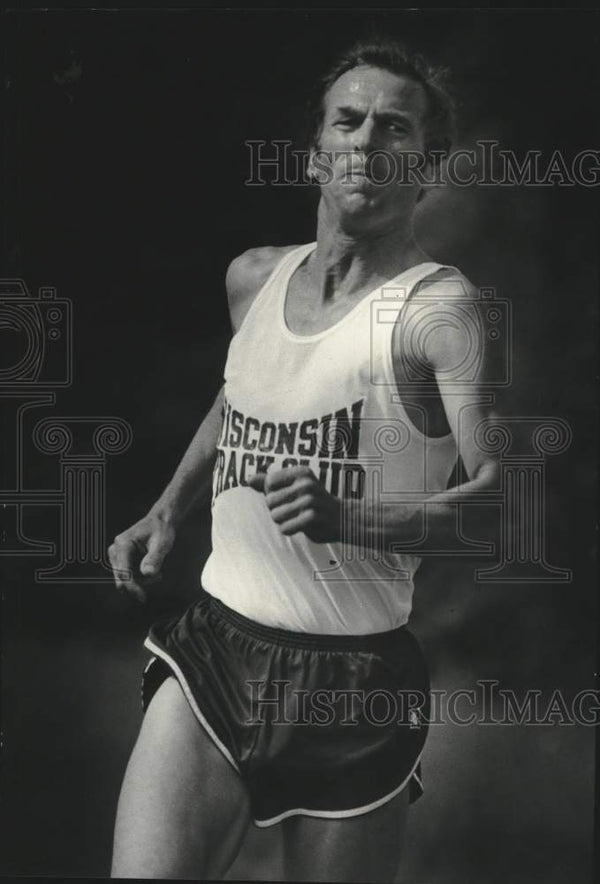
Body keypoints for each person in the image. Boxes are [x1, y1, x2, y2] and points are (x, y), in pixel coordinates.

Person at [108, 38, 499, 883]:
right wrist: (169, 508)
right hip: (214, 651)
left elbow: (493, 504)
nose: (367, 142)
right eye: (348, 121)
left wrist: (343, 516)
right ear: (316, 150)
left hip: (354, 683)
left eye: (395, 127)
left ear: (427, 166)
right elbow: (241, 393)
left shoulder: (438, 310)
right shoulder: (253, 278)